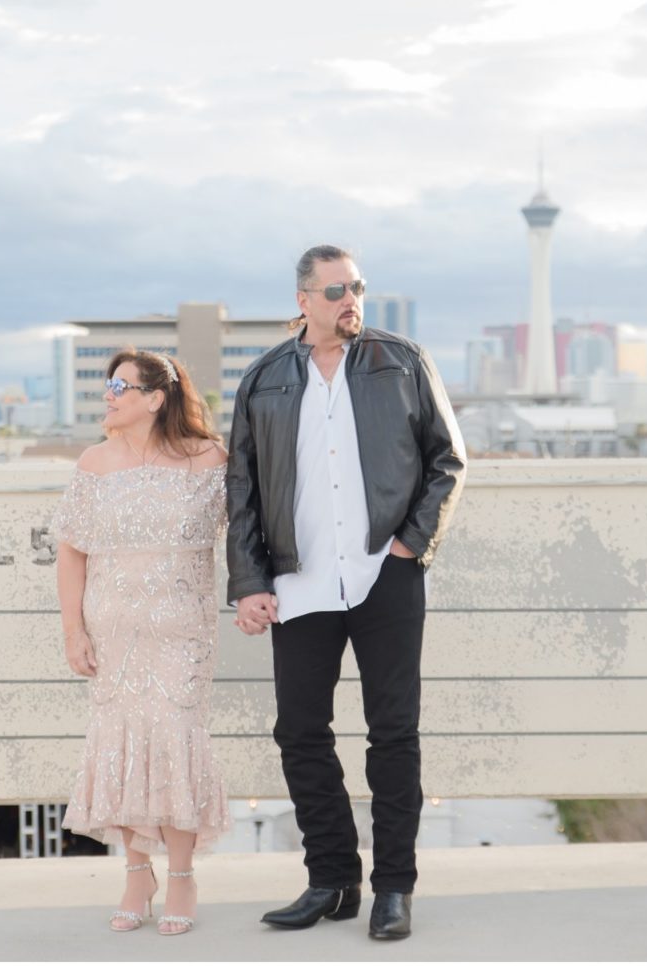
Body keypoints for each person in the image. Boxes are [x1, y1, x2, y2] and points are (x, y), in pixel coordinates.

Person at [227, 245, 466, 941]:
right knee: (300, 732)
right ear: (303, 300)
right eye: (335, 290)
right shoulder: (265, 378)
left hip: (382, 574)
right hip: (298, 581)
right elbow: (240, 488)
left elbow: (447, 461)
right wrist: (248, 582)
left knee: (394, 734)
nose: (349, 300)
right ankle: (331, 879)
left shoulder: (401, 361)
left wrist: (410, 547)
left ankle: (395, 887)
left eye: (356, 287)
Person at [51, 347, 231, 936]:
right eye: (108, 384)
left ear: (155, 398)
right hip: (114, 629)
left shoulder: (208, 460)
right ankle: (136, 872)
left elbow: (250, 530)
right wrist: (74, 631)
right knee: (118, 745)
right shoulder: (93, 462)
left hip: (183, 630)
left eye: (120, 385)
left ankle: (181, 876)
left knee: (176, 740)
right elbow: (72, 553)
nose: (108, 393)